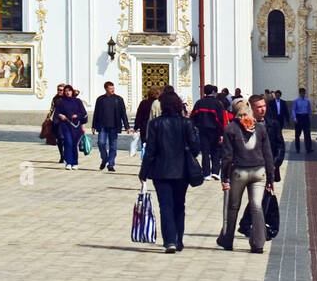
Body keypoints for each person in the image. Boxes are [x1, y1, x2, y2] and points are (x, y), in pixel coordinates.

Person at [139, 86, 199, 253]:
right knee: (180, 205)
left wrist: (143, 173)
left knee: (165, 206)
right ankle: (179, 240)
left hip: (161, 171)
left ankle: (169, 241)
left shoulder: (156, 124)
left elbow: (150, 151)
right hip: (182, 171)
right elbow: (195, 148)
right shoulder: (186, 123)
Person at [217, 96, 275, 254]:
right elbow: (268, 154)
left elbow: (227, 157)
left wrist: (224, 178)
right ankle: (258, 244)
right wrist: (271, 177)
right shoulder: (260, 128)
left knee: (233, 206)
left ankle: (227, 240)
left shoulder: (230, 128)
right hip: (259, 171)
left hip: (239, 172)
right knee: (256, 206)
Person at [91, 80, 130, 172]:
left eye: (113, 88)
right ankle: (105, 159)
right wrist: (93, 125)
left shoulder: (118, 99)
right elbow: (96, 113)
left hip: (114, 126)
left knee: (113, 146)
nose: (112, 90)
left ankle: (111, 164)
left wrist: (127, 126)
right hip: (103, 126)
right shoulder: (100, 99)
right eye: (110, 88)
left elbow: (123, 114)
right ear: (106, 89)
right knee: (101, 143)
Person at [191, 84, 224, 180]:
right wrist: (222, 132)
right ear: (213, 92)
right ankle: (216, 172)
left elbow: (193, 116)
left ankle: (206, 174)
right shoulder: (217, 104)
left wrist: (196, 126)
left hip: (203, 130)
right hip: (215, 131)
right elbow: (220, 119)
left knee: (205, 152)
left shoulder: (199, 103)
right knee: (216, 151)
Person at [55, 85, 88, 170]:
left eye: (69, 91)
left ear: (72, 91)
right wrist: (60, 115)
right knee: (68, 142)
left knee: (74, 144)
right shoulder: (61, 101)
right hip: (66, 124)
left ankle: (75, 162)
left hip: (76, 126)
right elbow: (56, 113)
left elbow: (83, 113)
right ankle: (68, 162)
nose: (67, 92)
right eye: (66, 91)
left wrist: (77, 116)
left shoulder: (77, 101)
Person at [263, 91, 285, 181]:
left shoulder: (273, 124)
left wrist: (275, 163)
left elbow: (280, 145)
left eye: (263, 107)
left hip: (270, 164)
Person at [291, 87, 313, 154]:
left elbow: (309, 109)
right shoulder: (296, 101)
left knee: (307, 134)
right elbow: (293, 109)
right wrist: (294, 118)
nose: (303, 94)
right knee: (297, 134)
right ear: (300, 93)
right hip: (299, 117)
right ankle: (298, 148)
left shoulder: (307, 101)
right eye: (302, 93)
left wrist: (309, 116)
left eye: (304, 93)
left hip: (305, 117)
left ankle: (308, 148)